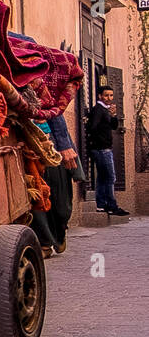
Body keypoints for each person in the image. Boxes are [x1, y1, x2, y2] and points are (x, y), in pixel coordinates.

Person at [29, 111, 81, 254]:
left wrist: (65, 146)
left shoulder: (48, 97)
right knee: (38, 197)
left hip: (54, 146)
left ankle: (60, 231)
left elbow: (56, 114)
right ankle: (44, 243)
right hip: (29, 145)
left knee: (61, 203)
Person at [86, 84, 129, 216]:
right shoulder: (98, 109)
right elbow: (93, 127)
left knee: (103, 177)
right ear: (100, 96)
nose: (109, 98)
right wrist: (102, 141)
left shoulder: (105, 109)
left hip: (102, 149)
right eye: (106, 95)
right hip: (102, 149)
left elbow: (114, 126)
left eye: (111, 95)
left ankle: (101, 205)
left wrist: (114, 114)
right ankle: (112, 206)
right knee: (110, 177)